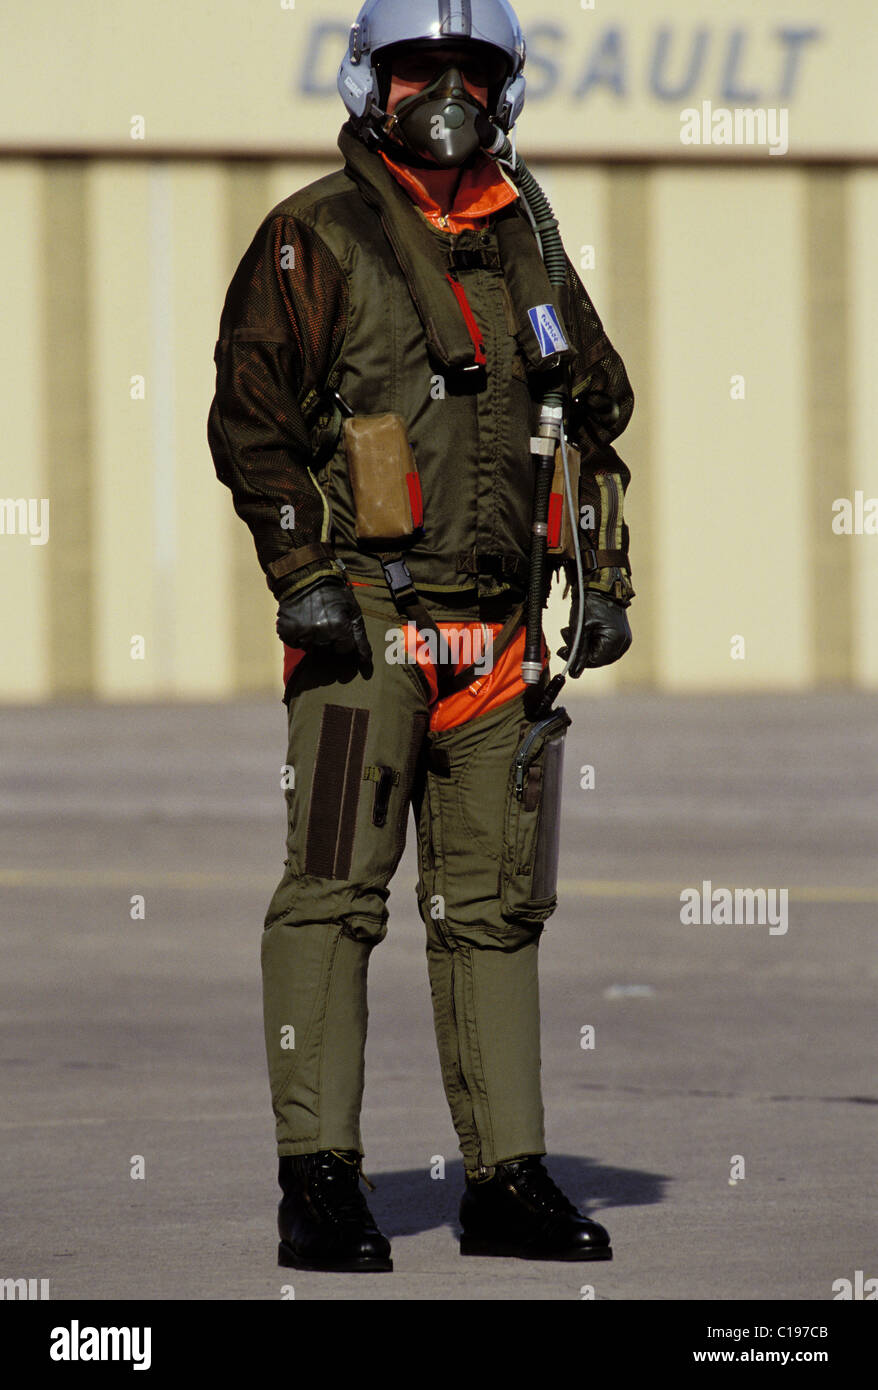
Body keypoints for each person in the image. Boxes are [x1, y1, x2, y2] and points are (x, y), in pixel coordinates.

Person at [206, 0, 635, 1274]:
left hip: (499, 631)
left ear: (504, 86)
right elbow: (251, 420)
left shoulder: (527, 246)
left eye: (469, 68)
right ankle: (319, 1182)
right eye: (414, 67)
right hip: (368, 622)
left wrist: (599, 578)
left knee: (495, 909)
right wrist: (301, 569)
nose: (442, 88)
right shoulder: (312, 237)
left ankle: (506, 1179)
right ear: (368, 83)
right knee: (334, 896)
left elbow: (593, 410)